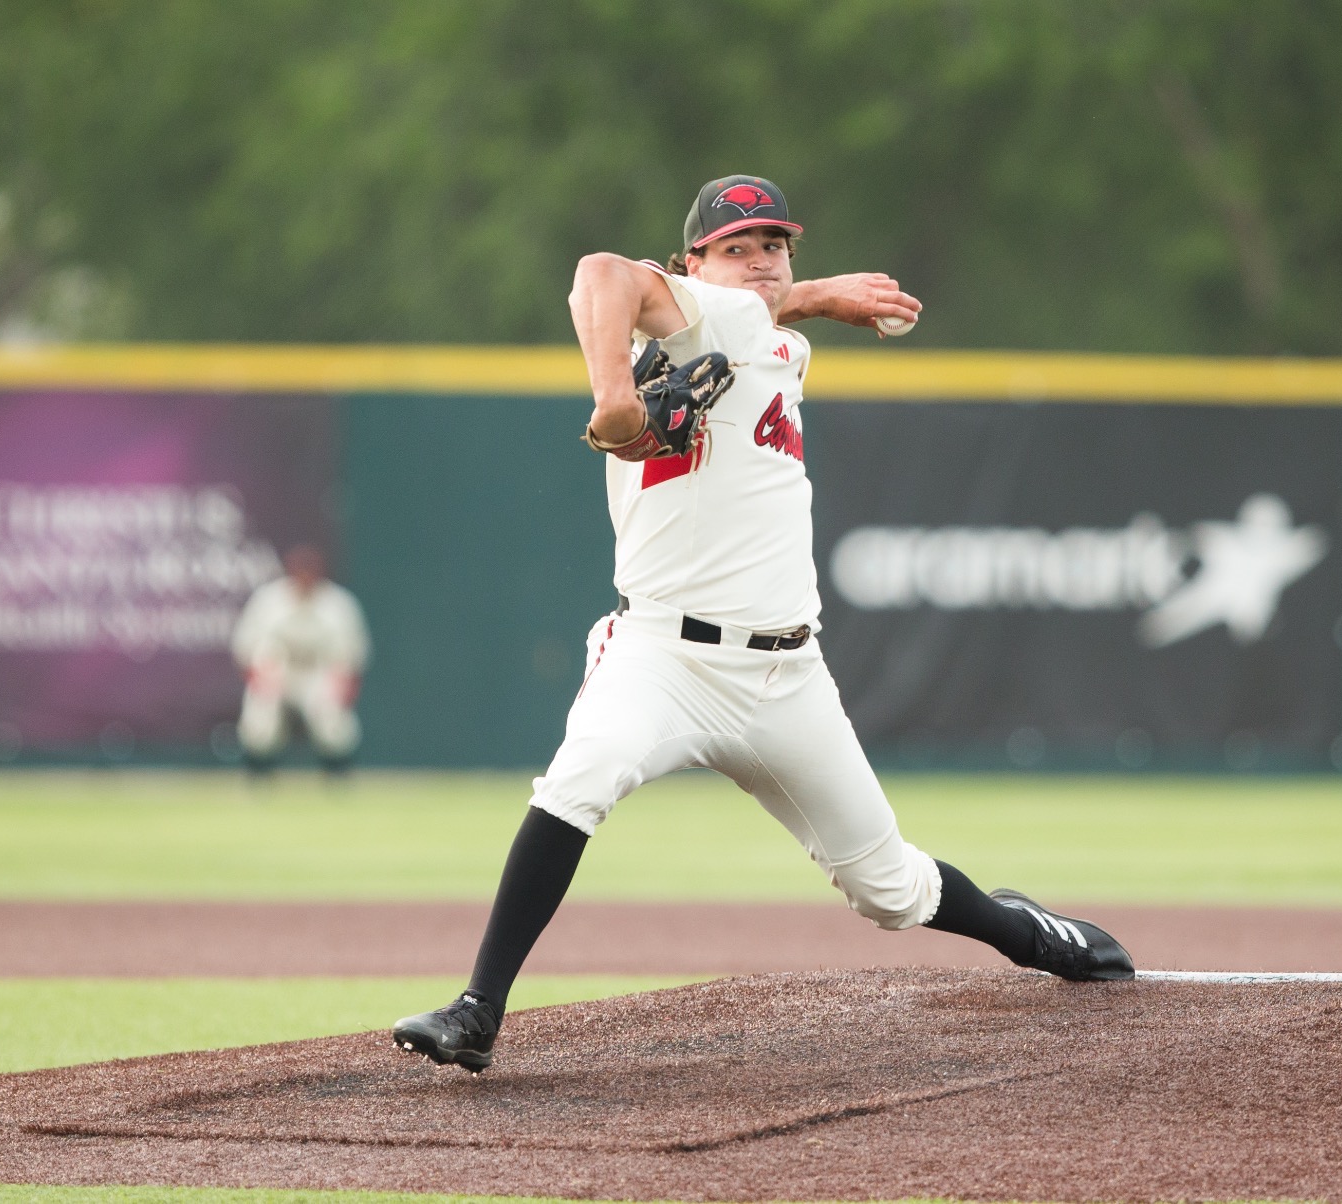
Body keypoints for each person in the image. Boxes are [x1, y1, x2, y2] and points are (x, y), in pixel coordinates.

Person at [393, 175, 1131, 1073]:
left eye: (773, 246)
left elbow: (762, 317)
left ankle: (1029, 934)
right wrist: (614, 396)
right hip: (662, 656)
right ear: (688, 265)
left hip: (786, 676)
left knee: (890, 890)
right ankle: (477, 1011)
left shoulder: (774, 340)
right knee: (579, 780)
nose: (758, 261)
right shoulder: (693, 318)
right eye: (734, 247)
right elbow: (597, 271)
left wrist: (814, 298)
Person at [229, 543, 370, 777]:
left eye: (310, 572)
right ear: (289, 573)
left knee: (333, 723)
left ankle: (337, 777)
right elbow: (245, 646)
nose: (304, 577)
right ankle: (258, 777)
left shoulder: (338, 604)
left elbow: (352, 656)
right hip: (277, 673)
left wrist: (343, 688)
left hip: (318, 673)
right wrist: (260, 680)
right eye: (299, 572)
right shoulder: (268, 601)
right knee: (260, 720)